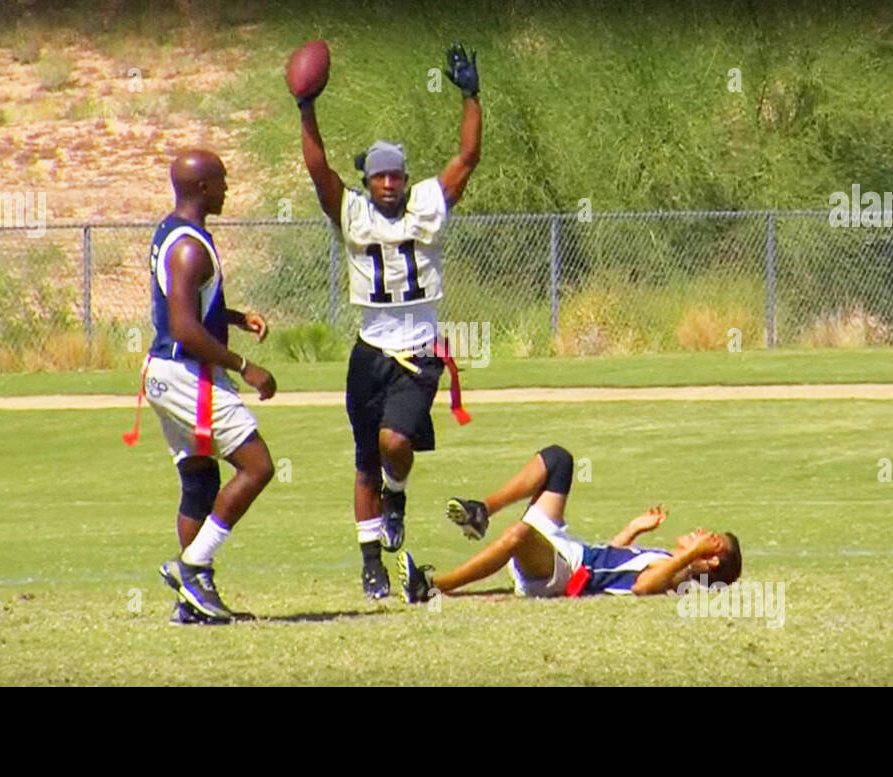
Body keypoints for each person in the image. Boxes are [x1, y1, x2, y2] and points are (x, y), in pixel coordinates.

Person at [294, 44, 483, 598]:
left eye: (396, 176)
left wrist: (471, 95)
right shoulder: (350, 210)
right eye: (379, 177)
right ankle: (370, 561)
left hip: (420, 348)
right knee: (363, 462)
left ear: (405, 178)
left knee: (394, 442)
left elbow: (467, 158)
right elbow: (317, 170)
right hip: (370, 349)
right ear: (369, 182)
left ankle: (396, 494)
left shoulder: (427, 202)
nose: (389, 184)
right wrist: (306, 108)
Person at [123, 149, 278, 625]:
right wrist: (246, 365)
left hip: (163, 373)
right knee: (257, 467)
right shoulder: (191, 247)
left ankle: (190, 605)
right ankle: (193, 567)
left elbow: (184, 301)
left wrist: (233, 316)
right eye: (222, 180)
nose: (228, 188)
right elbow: (186, 327)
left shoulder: (172, 231)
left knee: (200, 481)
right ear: (204, 188)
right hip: (187, 373)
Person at [395, 445, 742, 602]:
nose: (701, 533)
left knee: (518, 535)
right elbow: (612, 559)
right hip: (568, 548)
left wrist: (688, 555)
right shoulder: (666, 558)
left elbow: (641, 589)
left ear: (711, 559)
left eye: (710, 539)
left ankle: (432, 585)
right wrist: (635, 528)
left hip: (563, 573)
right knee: (558, 461)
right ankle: (482, 511)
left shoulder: (677, 574)